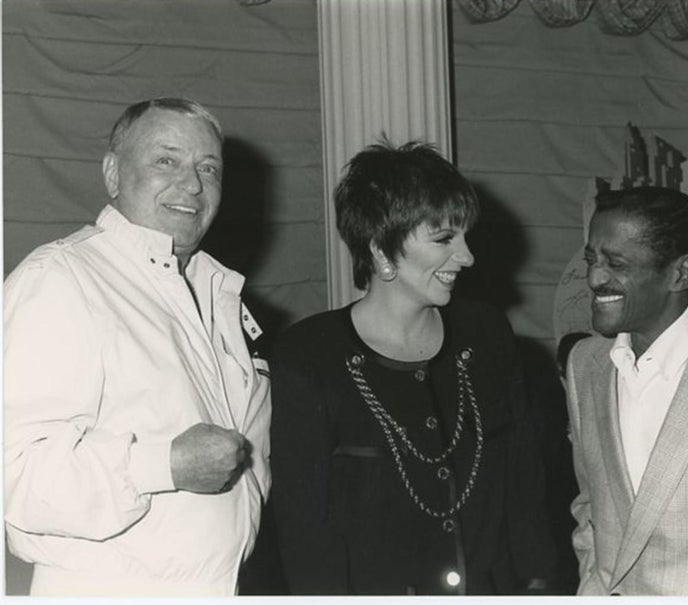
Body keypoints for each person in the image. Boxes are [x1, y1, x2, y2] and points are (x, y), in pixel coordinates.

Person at [3, 97, 271, 596]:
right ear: (112, 174)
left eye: (208, 168)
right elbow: (16, 476)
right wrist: (163, 464)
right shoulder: (63, 279)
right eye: (166, 160)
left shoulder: (220, 296)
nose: (192, 184)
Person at [269, 140, 556, 595]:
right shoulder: (307, 357)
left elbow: (525, 491)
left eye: (464, 236)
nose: (467, 256)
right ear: (381, 251)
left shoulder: (487, 335)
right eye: (444, 239)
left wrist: (540, 588)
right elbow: (306, 539)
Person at [565, 185, 688, 595]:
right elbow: (589, 507)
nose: (594, 278)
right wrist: (592, 585)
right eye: (592, 259)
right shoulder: (584, 364)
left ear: (681, 273)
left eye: (615, 263)